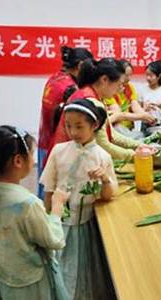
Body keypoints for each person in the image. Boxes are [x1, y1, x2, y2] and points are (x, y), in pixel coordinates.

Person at [0, 125, 69, 299]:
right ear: (18, 161)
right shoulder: (27, 204)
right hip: (31, 284)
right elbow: (54, 240)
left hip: (3, 276)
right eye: (31, 152)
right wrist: (57, 207)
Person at [41, 99, 118, 300]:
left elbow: (109, 194)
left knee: (87, 273)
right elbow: (49, 188)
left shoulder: (103, 156)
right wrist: (47, 220)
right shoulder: (59, 151)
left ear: (94, 126)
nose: (73, 132)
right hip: (61, 225)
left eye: (79, 126)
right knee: (61, 271)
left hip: (87, 225)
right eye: (68, 126)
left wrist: (104, 178)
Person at [50, 58, 140, 161]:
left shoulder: (91, 94)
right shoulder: (92, 102)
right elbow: (104, 146)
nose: (119, 90)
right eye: (119, 85)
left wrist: (139, 146)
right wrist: (134, 155)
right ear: (104, 80)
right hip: (67, 161)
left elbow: (111, 134)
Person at [38, 46, 93, 196]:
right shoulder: (70, 88)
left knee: (45, 185)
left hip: (45, 138)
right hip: (57, 143)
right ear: (81, 66)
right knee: (55, 192)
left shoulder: (55, 78)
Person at [104, 59, 155, 138]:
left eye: (130, 75)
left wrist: (145, 115)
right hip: (116, 129)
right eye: (126, 75)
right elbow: (118, 115)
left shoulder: (130, 87)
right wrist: (141, 116)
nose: (129, 78)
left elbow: (135, 105)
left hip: (128, 128)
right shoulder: (109, 90)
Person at [139, 60, 161, 126]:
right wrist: (144, 109)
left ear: (159, 76)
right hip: (146, 125)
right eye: (147, 75)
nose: (148, 78)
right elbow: (138, 112)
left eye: (151, 76)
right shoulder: (142, 89)